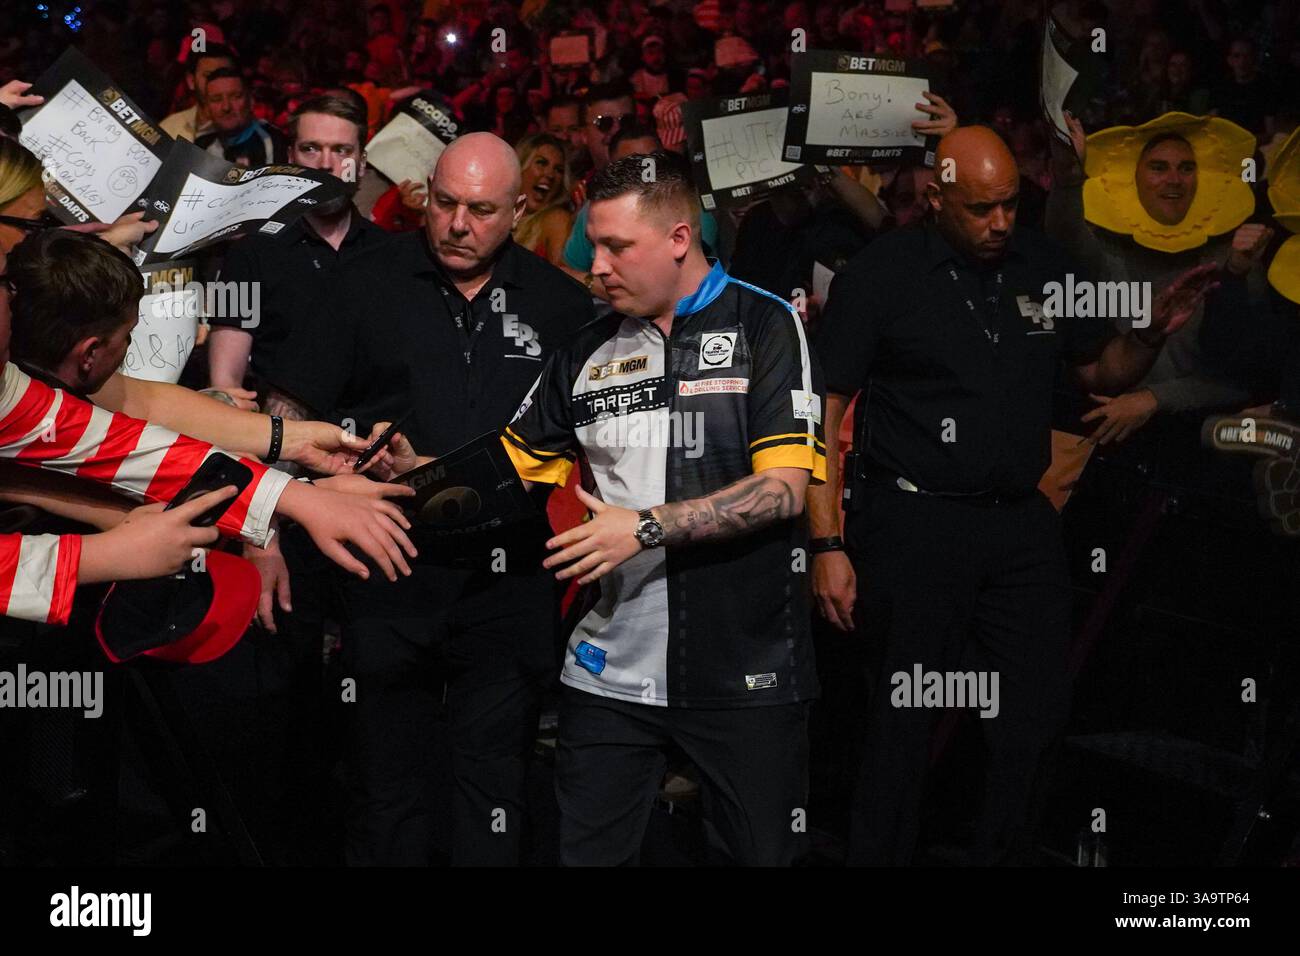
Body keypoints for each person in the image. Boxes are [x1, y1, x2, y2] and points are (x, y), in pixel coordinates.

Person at [809, 126, 1220, 865]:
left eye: (1009, 206)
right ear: (936, 198)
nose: (1000, 223)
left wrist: (1153, 333)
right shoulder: (884, 273)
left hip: (1017, 526)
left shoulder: (1040, 261)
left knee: (1034, 713)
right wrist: (827, 542)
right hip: (913, 521)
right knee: (902, 719)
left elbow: (1100, 373)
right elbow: (826, 411)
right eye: (981, 209)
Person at [269, 132, 595, 865]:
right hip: (386, 570)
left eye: (481, 210)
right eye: (444, 203)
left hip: (508, 580)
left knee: (495, 786)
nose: (457, 223)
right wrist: (267, 526)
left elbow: (585, 451)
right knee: (386, 787)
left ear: (518, 209)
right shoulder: (360, 282)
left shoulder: (561, 306)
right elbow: (287, 411)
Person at [501, 151, 826, 866]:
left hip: (745, 670)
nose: (597, 266)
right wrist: (413, 473)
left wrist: (643, 528)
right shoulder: (586, 347)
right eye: (594, 246)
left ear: (681, 238)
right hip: (606, 671)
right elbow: (508, 469)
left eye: (619, 247)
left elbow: (783, 490)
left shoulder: (764, 324)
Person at [1046, 111, 1265, 444]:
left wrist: (1154, 399)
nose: (1174, 179)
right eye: (1158, 167)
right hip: (1106, 435)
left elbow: (1243, 376)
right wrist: (1068, 171)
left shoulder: (1233, 256)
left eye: (1186, 168)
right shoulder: (1107, 249)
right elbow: (1062, 237)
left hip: (1195, 439)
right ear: (1134, 177)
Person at [208, 95, 384, 409]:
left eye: (341, 150)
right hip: (280, 442)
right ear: (291, 158)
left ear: (361, 164)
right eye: (311, 148)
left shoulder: (390, 253)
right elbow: (225, 386)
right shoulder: (247, 253)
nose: (326, 163)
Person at [195, 68, 289, 168]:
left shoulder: (275, 143)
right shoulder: (201, 147)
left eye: (235, 96)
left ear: (251, 101)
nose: (226, 107)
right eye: (216, 99)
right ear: (206, 108)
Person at [513, 133, 573, 266]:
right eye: (541, 163)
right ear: (520, 166)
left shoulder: (556, 220)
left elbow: (563, 279)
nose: (550, 174)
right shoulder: (500, 215)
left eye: (558, 170)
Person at [160, 44, 238, 143]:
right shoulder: (171, 128)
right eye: (209, 75)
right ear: (191, 81)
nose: (217, 83)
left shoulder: (255, 135)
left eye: (225, 75)